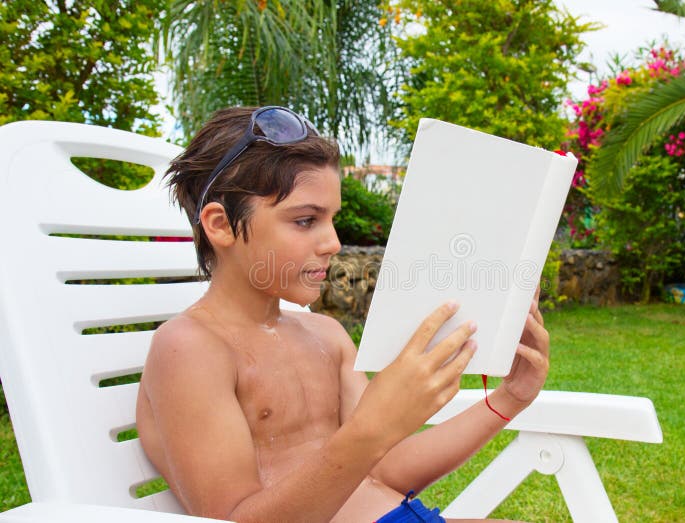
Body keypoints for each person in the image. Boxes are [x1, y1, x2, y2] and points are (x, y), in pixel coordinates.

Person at [136, 106, 551, 523]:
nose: (332, 242)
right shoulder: (191, 348)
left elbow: (381, 471)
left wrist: (508, 398)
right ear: (221, 226)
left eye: (330, 219)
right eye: (305, 220)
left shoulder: (325, 335)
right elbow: (234, 517)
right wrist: (373, 427)